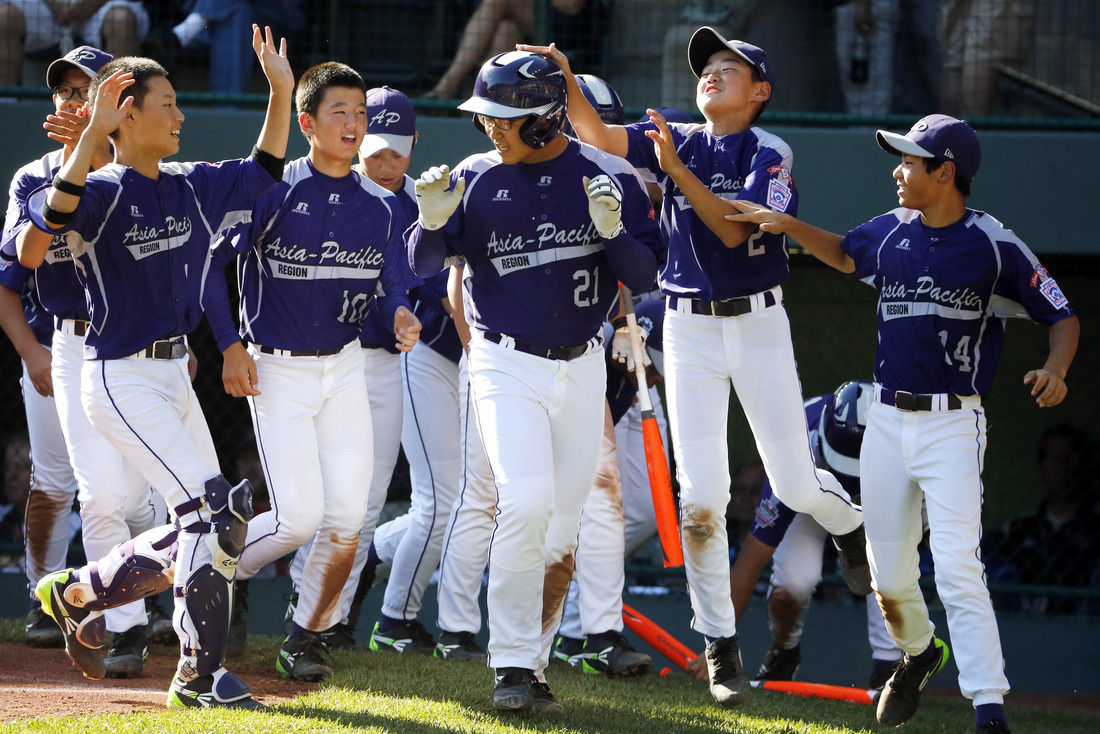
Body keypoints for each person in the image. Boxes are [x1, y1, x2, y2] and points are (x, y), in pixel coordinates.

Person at [520, 26, 869, 709]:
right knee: (700, 501)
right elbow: (600, 135)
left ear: (760, 91)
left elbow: (734, 230)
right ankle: (720, 646)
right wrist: (565, 77)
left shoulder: (769, 150)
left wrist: (676, 172)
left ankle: (850, 526)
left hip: (759, 324)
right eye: (705, 65)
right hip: (687, 327)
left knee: (795, 484)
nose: (711, 73)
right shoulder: (676, 134)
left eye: (728, 68)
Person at [728, 113, 1079, 734]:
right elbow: (844, 253)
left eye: (910, 162)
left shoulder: (992, 243)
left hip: (953, 425)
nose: (898, 170)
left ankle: (989, 708)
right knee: (887, 578)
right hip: (886, 421)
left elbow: (1062, 314)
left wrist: (1056, 367)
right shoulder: (891, 230)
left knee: (958, 566)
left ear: (945, 173)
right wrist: (789, 226)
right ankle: (919, 654)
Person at [21, 26, 294, 708]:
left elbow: (262, 170)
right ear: (128, 114)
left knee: (221, 515)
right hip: (118, 375)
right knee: (208, 511)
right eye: (167, 103)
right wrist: (90, 135)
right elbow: (39, 236)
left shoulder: (190, 184)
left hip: (174, 374)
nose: (180, 115)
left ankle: (76, 591)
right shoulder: (101, 188)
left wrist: (281, 92)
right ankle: (198, 677)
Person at [407, 50, 662, 713]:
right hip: (503, 360)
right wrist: (430, 221)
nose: (490, 128)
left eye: (503, 117)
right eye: (486, 117)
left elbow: (644, 275)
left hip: (582, 363)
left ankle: (535, 667)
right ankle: (512, 666)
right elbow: (423, 262)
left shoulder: (609, 176)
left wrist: (612, 234)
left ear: (547, 120)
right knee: (524, 503)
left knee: (560, 530)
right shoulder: (475, 175)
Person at [205, 62, 421, 682]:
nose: (354, 124)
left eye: (361, 113)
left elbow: (392, 286)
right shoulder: (271, 189)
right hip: (276, 369)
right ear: (306, 123)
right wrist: (230, 345)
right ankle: (224, 569)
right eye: (339, 112)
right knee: (298, 518)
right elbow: (213, 269)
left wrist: (400, 313)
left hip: (346, 367)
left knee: (349, 521)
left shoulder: (384, 206)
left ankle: (307, 636)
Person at [2, 43, 170, 678]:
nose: (74, 101)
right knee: (68, 485)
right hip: (63, 344)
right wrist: (30, 351)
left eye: (86, 89)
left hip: (137, 346)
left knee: (141, 495)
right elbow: (16, 267)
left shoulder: (143, 167)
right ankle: (53, 602)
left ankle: (143, 597)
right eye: (65, 90)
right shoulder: (33, 176)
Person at [689, 381, 902, 690]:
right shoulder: (791, 449)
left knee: (884, 567)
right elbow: (752, 559)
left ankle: (888, 667)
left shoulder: (901, 445)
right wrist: (717, 644)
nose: (845, 478)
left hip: (875, 497)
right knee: (794, 582)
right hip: (809, 489)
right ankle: (784, 652)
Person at [984, 423, 1099, 615]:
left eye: (1069, 459)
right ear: (1042, 466)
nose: (1063, 468)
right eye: (1054, 459)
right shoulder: (1019, 528)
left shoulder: (1094, 528)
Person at [426, 0, 595, 100]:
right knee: (505, 31)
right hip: (522, 27)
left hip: (566, 29)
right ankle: (485, 101)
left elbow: (571, 6)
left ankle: (449, 85)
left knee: (496, 2)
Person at [0, 0, 148, 85]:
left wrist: (92, 3)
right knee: (4, 17)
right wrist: (54, 4)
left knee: (121, 20)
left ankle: (124, 108)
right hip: (44, 9)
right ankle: (6, 105)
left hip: (101, 7)